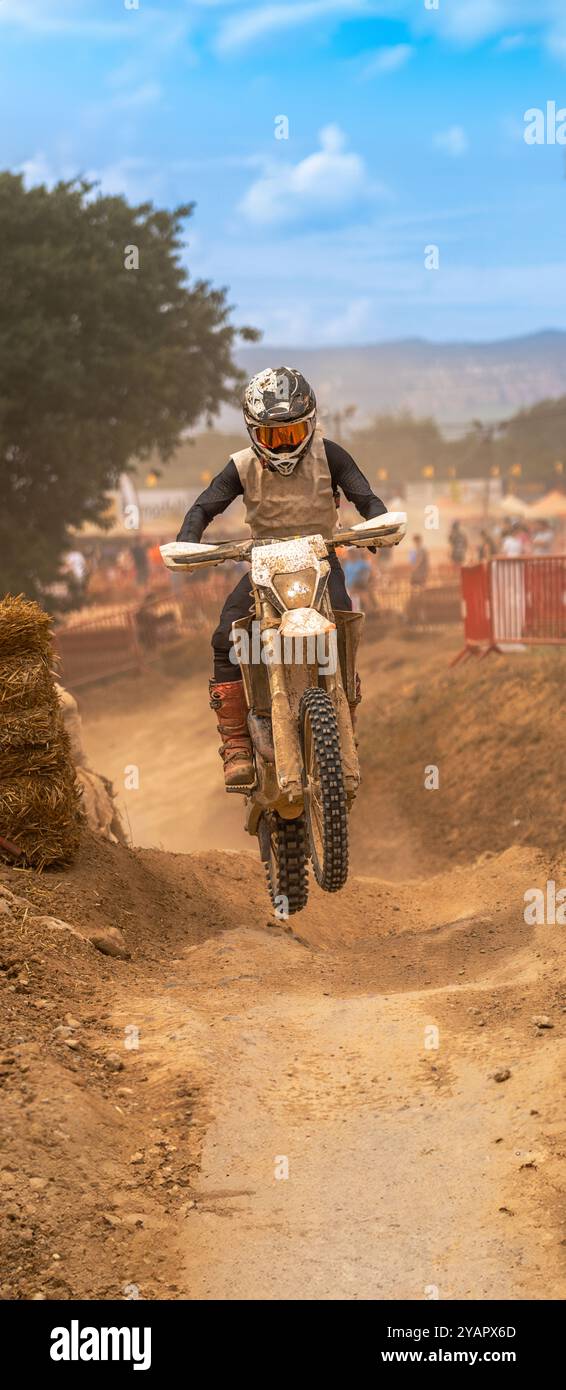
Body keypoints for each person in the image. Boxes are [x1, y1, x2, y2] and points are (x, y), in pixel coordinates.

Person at [176, 366, 388, 787]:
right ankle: (237, 743)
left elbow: (366, 497)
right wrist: (187, 543)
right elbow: (202, 508)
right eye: (273, 437)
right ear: (253, 433)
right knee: (226, 637)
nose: (285, 444)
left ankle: (345, 718)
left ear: (310, 424)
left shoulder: (330, 455)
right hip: (264, 565)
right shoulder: (241, 466)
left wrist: (379, 523)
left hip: (321, 561)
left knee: (342, 625)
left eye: (292, 433)